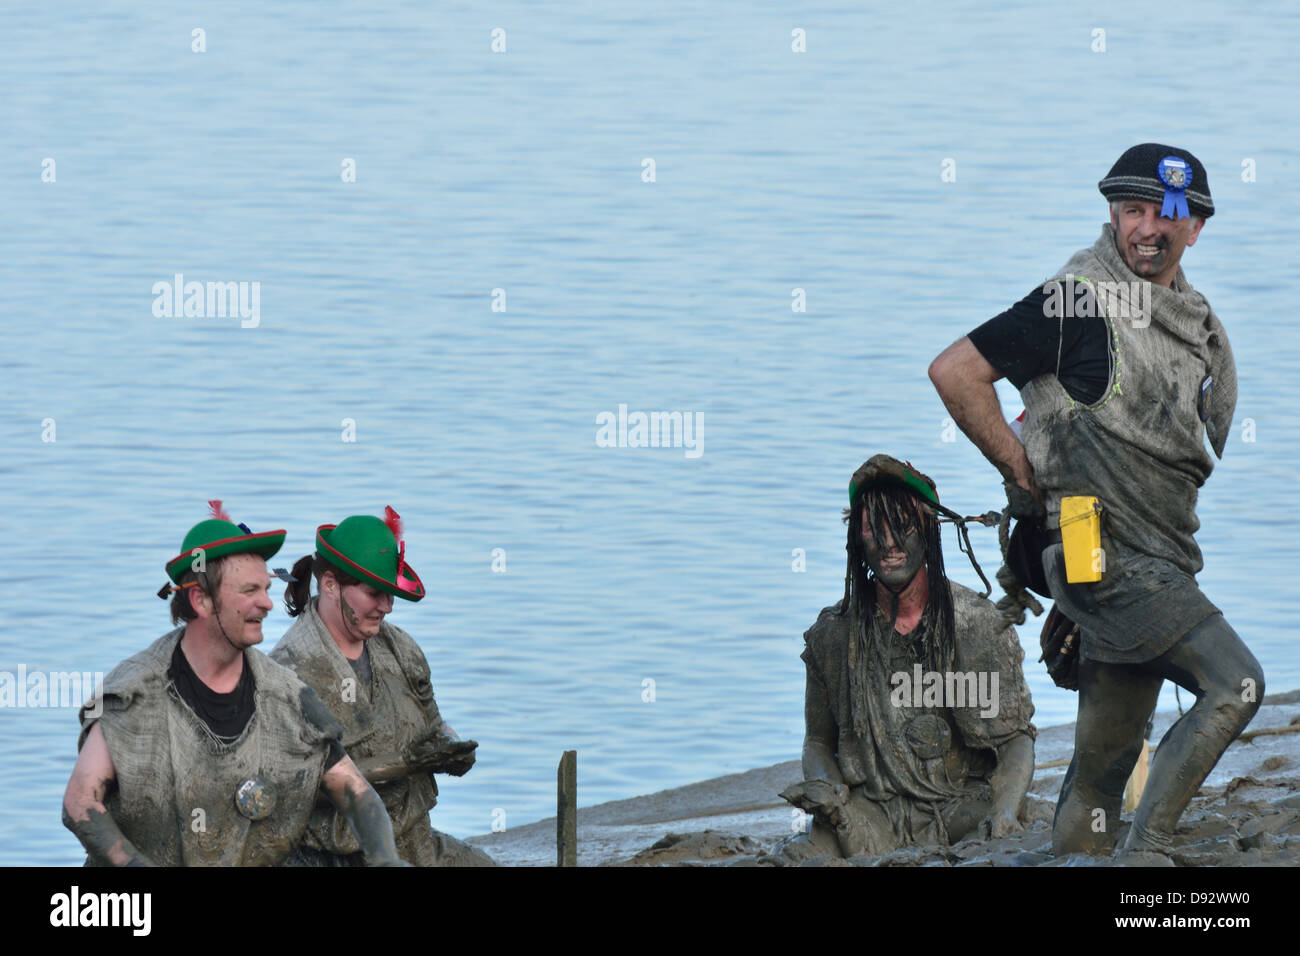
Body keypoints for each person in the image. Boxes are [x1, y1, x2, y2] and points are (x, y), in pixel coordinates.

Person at [928, 143, 1264, 861]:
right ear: (1112, 216)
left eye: (1168, 214)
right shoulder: (1075, 299)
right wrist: (1023, 474)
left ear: (1195, 227)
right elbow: (956, 372)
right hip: (1095, 548)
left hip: (1158, 552)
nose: (1149, 227)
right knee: (1235, 684)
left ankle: (1079, 859)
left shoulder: (1190, 319)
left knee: (1105, 769)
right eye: (1133, 210)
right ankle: (1151, 852)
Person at [62, 502, 406, 866]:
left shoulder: (287, 696)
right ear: (201, 599)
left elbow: (355, 791)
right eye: (249, 591)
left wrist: (385, 860)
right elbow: (79, 803)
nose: (267, 603)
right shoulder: (136, 693)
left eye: (266, 588)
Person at [777, 456, 1035, 860]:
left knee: (1015, 832)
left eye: (902, 526)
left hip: (960, 804)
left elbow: (1016, 741)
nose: (889, 543)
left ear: (930, 530)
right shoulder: (833, 635)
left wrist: (1004, 813)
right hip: (870, 809)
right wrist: (830, 795)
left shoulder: (980, 624)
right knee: (803, 855)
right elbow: (817, 742)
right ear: (856, 541)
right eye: (872, 529)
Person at [272, 507, 493, 866]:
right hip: (337, 855)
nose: (387, 607)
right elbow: (301, 787)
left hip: (415, 837)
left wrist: (449, 748)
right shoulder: (291, 670)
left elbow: (433, 719)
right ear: (331, 585)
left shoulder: (401, 649)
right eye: (375, 593)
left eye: (391, 594)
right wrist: (406, 763)